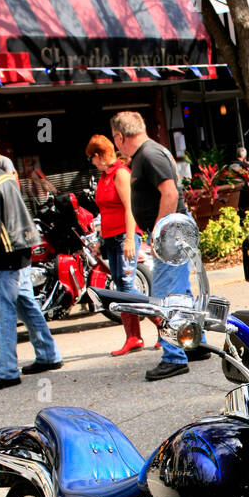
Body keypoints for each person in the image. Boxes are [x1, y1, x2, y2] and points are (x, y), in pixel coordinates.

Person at [110, 110, 207, 381]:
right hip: (176, 229)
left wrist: (158, 231)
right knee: (182, 293)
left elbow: (170, 192)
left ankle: (174, 356)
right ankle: (194, 344)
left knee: (166, 296)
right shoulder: (150, 152)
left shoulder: (149, 155)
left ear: (119, 137)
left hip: (172, 231)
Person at [0, 147, 62, 391]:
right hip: (23, 250)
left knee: (3, 314)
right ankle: (49, 354)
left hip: (4, 257)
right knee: (27, 306)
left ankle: (6, 370)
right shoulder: (4, 176)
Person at [86, 134, 143, 358]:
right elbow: (105, 211)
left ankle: (160, 321)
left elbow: (131, 207)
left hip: (124, 237)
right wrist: (100, 241)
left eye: (91, 157)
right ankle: (134, 337)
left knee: (127, 287)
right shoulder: (104, 176)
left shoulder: (120, 173)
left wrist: (130, 238)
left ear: (98, 156)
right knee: (121, 287)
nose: (91, 162)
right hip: (111, 237)